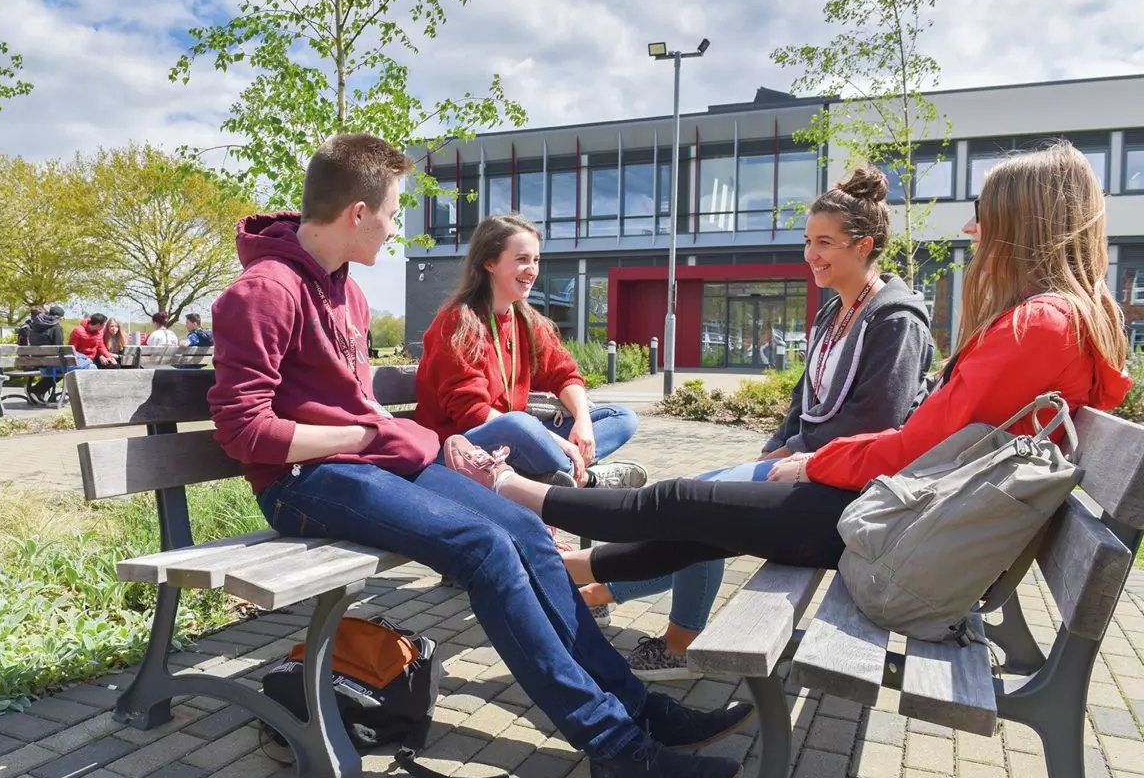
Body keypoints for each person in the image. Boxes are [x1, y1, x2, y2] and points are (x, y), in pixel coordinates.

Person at [207, 132, 751, 778]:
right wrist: (373, 432)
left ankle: (636, 704)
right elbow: (243, 432)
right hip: (302, 486)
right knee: (484, 549)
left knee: (523, 530)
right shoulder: (263, 291)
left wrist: (436, 446)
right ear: (357, 212)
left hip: (370, 465)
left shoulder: (345, 293)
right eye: (394, 210)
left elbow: (364, 409)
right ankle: (615, 747)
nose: (397, 227)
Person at [441, 140, 1131, 594]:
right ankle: (571, 565)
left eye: (982, 214)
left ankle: (513, 493)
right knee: (701, 506)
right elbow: (927, 437)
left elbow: (914, 443)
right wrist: (798, 451)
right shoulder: (1070, 320)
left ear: (1019, 222)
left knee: (689, 500)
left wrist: (812, 463)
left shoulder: (1037, 324)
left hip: (896, 524)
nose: (970, 230)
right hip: (920, 513)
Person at [582, 166, 936, 680]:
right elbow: (804, 396)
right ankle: (604, 593)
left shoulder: (895, 320)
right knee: (700, 499)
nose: (811, 254)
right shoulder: (832, 311)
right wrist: (777, 444)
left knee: (699, 507)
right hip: (802, 466)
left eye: (825, 243)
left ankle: (662, 632)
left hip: (841, 485)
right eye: (808, 241)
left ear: (865, 246)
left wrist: (802, 458)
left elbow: (875, 421)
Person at [414, 214, 647, 490]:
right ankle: (585, 479)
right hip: (463, 447)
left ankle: (555, 474)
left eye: (536, 260)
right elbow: (471, 412)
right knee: (520, 425)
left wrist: (583, 424)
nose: (532, 270)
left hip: (520, 439)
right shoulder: (457, 322)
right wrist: (554, 440)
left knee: (621, 418)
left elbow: (564, 374)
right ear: (489, 262)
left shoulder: (525, 320)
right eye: (522, 259)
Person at [26, 305, 68, 402]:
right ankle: (37, 390)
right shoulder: (56, 327)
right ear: (58, 317)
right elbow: (59, 347)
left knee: (60, 368)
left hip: (35, 362)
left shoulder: (34, 326)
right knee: (64, 370)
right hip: (49, 363)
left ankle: (38, 391)